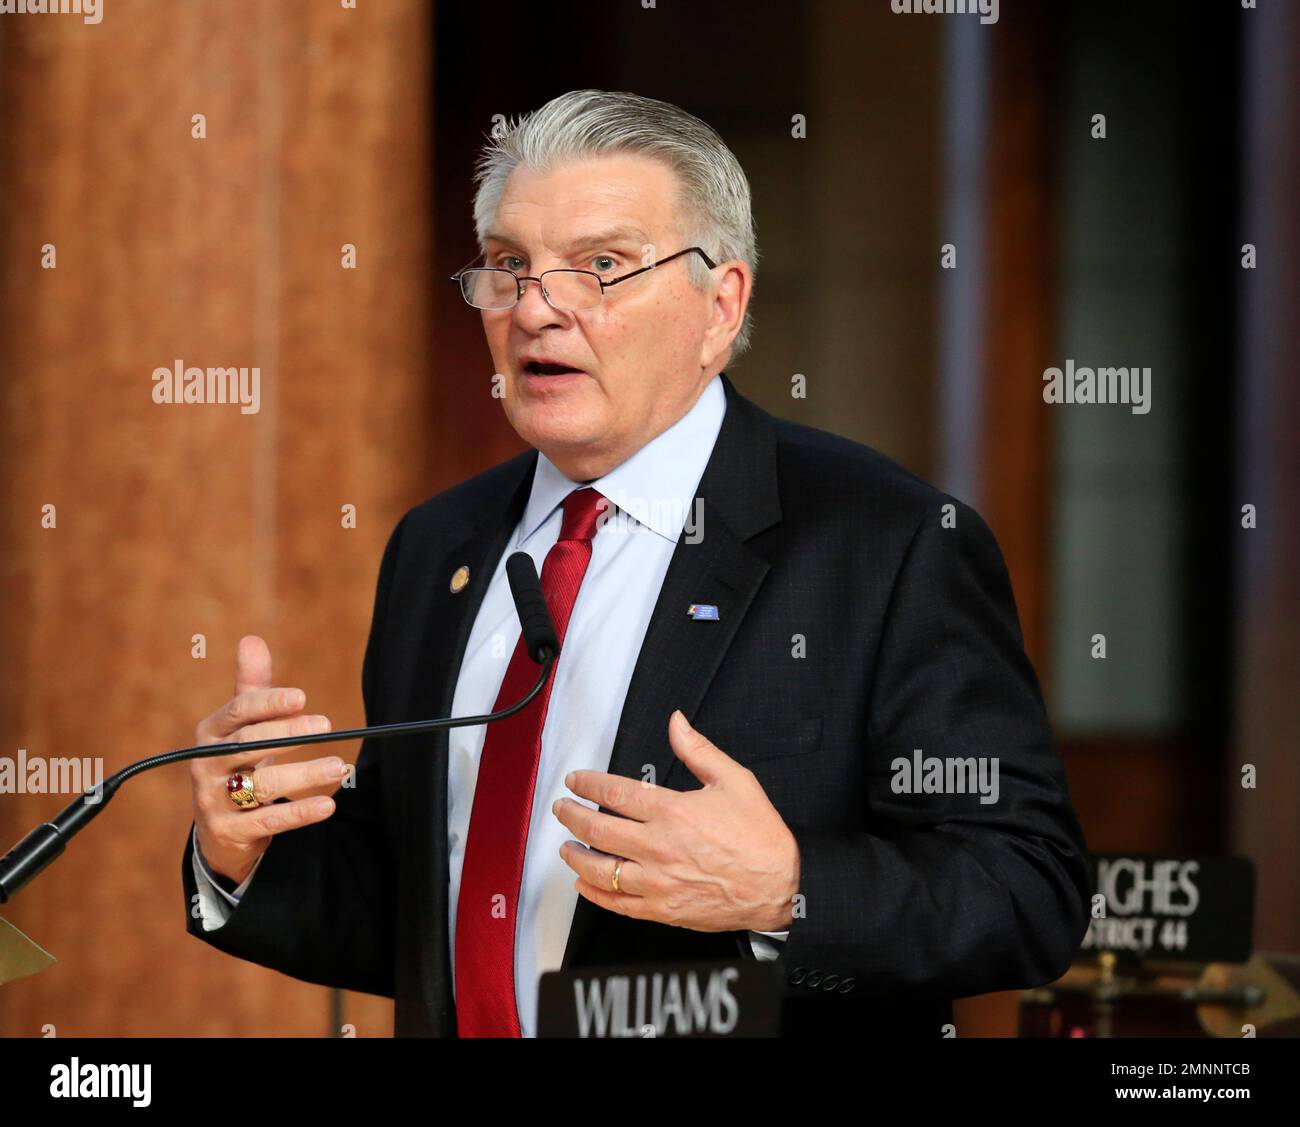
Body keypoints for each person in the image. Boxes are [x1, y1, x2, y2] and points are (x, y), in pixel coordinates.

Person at [182, 89, 1090, 1038]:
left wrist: (787, 889)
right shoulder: (438, 546)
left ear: (719, 303)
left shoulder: (886, 541)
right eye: (509, 266)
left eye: (601, 266)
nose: (538, 309)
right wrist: (244, 851)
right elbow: (430, 918)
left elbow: (1029, 890)